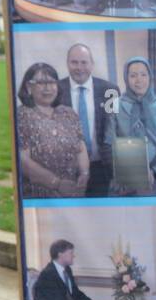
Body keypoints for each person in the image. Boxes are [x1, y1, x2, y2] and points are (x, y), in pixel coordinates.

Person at [17, 61, 88, 198]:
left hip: (74, 192)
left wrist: (85, 174)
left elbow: (81, 147)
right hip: (40, 195)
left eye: (52, 82)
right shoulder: (22, 115)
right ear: (28, 87)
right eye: (41, 83)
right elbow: (22, 160)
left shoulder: (68, 113)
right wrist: (57, 183)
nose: (48, 88)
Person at [56, 44, 113, 196]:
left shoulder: (110, 91)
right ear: (67, 64)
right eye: (74, 62)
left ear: (92, 64)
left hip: (101, 167)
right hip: (67, 170)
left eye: (84, 62)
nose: (79, 67)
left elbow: (115, 129)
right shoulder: (55, 91)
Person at [114, 57, 156, 190]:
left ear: (150, 77)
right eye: (133, 75)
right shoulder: (115, 105)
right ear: (126, 78)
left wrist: (154, 171)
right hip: (124, 180)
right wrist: (128, 173)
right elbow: (109, 143)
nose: (139, 80)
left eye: (143, 75)